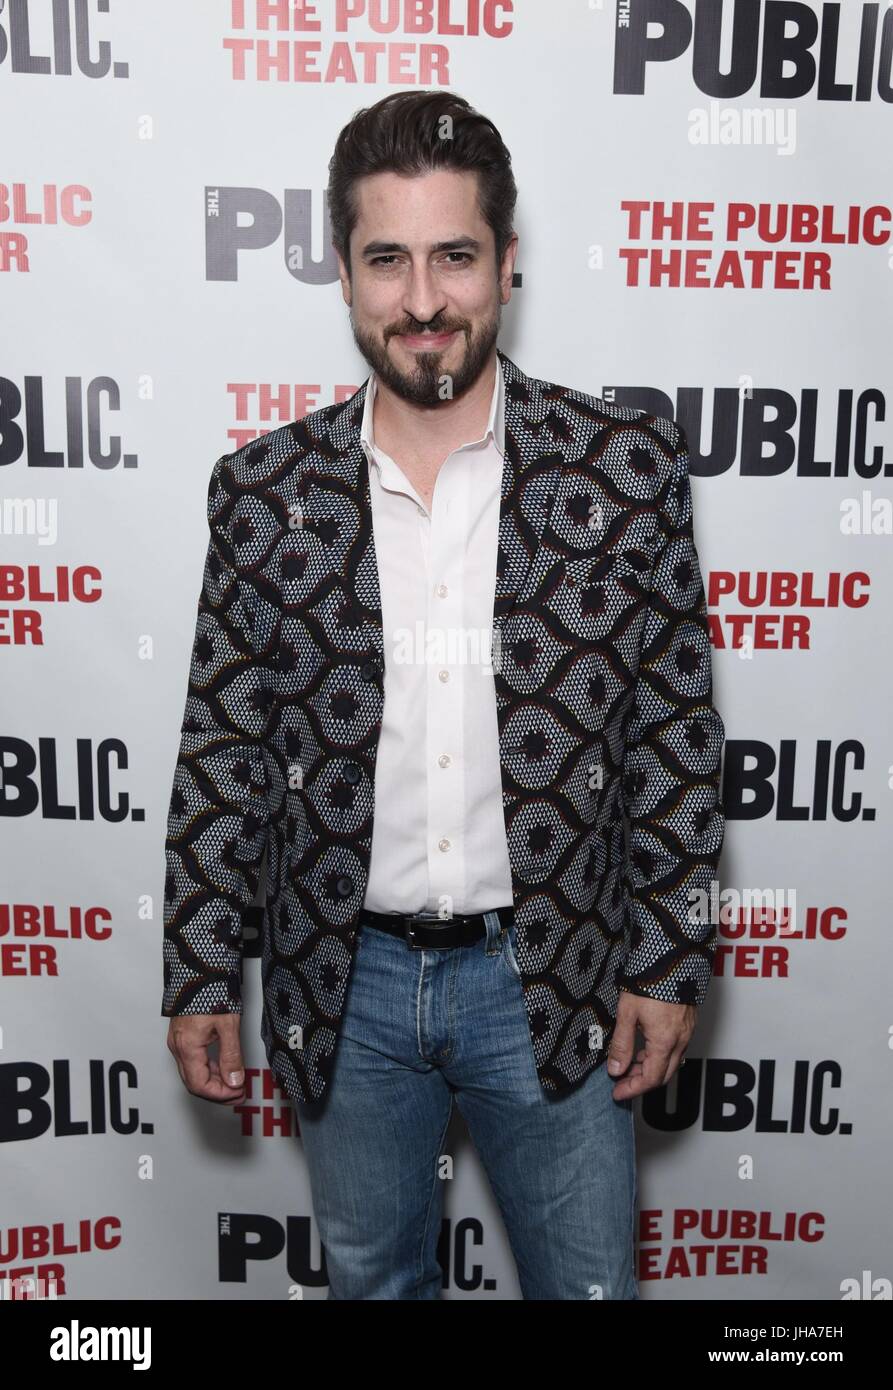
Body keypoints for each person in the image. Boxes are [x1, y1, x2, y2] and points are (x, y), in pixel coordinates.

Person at [162, 90, 726, 1300]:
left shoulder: (621, 475)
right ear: (344, 270)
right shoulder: (262, 493)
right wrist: (203, 966)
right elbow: (224, 739)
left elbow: (674, 737)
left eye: (454, 257)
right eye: (387, 260)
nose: (423, 302)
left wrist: (667, 964)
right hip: (344, 981)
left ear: (506, 264)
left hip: (556, 968)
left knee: (587, 1289)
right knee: (372, 1284)